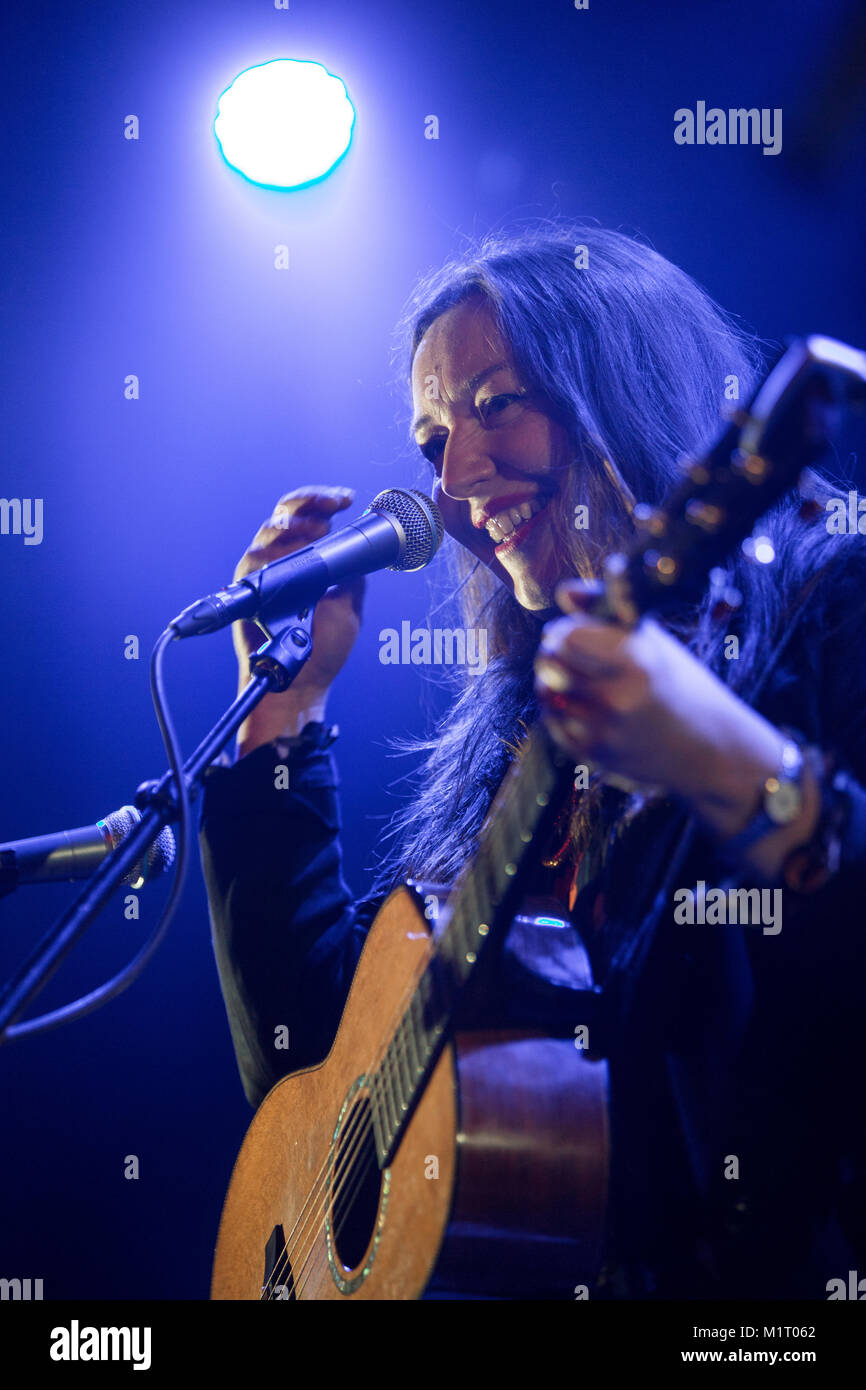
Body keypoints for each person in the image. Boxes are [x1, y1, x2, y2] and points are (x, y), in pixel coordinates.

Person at [199, 223, 866, 1299]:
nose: (455, 479)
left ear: (620, 390)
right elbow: (308, 1098)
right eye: (429, 443)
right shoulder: (522, 735)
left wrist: (729, 764)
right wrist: (286, 707)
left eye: (493, 404)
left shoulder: (832, 611)